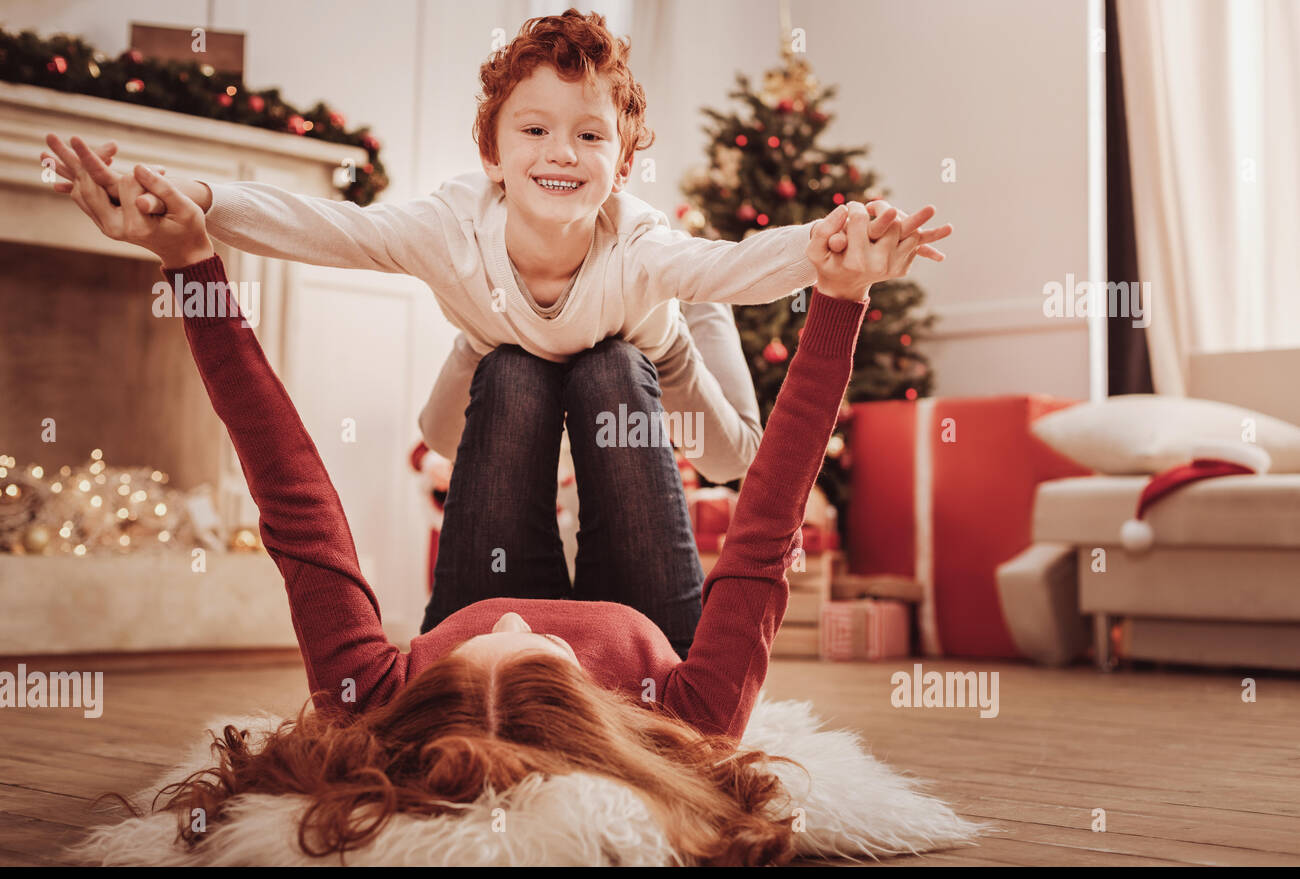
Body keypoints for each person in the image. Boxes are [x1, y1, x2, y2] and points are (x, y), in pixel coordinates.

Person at [52, 135, 950, 865]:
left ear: (426, 687)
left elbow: (292, 495)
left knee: (517, 370)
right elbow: (764, 528)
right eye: (546, 654)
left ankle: (585, 340)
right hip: (650, 607)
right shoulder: (688, 720)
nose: (517, 622)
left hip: (492, 512)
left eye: (473, 650)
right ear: (595, 712)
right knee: (609, 368)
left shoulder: (367, 695)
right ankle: (628, 345)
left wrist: (191, 264)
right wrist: (840, 297)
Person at [43, 9, 947, 657]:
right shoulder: (450, 226)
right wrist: (200, 200)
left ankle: (648, 616)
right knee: (505, 376)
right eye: (536, 129)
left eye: (590, 136)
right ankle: (494, 385)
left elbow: (739, 266)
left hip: (659, 336)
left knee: (640, 386)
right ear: (493, 153)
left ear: (621, 164)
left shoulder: (637, 242)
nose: (561, 150)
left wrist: (829, 243)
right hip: (494, 341)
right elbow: (329, 227)